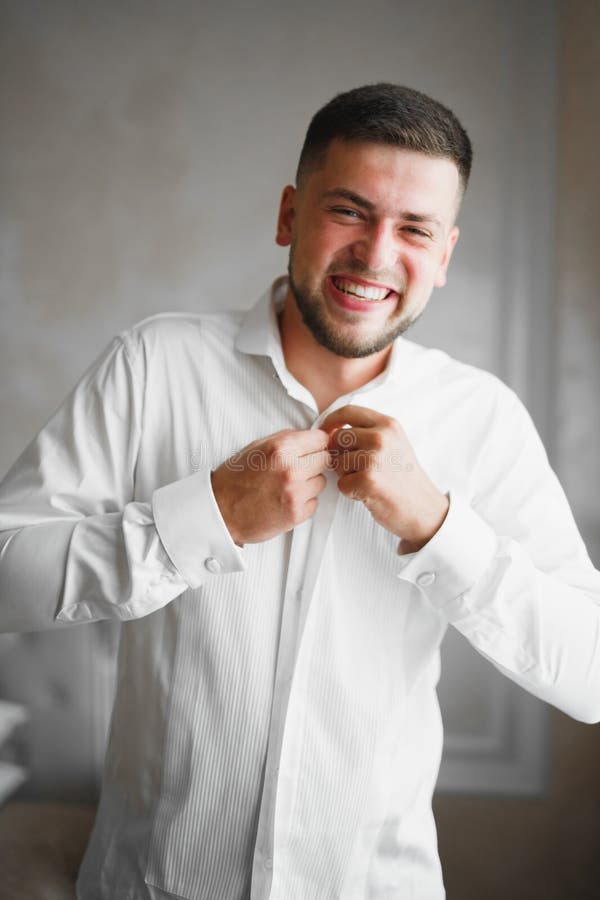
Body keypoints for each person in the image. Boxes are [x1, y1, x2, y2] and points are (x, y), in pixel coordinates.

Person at [0, 83, 599, 900]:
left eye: (415, 229)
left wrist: (437, 527)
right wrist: (205, 518)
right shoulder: (152, 365)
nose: (377, 254)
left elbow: (590, 673)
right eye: (349, 211)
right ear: (290, 215)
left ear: (445, 255)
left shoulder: (482, 419)